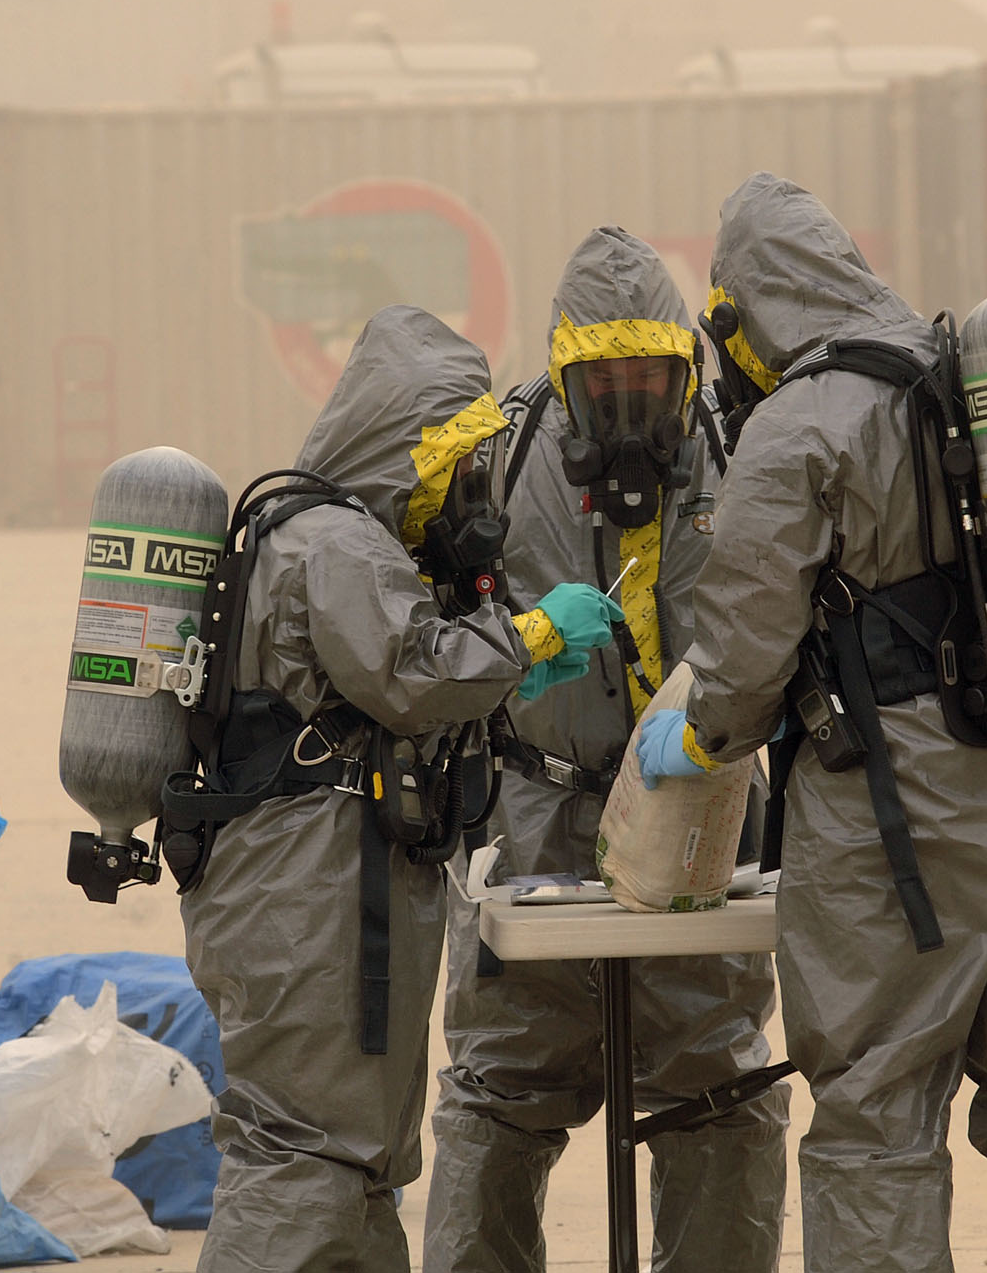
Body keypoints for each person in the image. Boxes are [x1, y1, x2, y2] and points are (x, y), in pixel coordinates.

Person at [638, 171, 987, 1272]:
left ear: (748, 306)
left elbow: (749, 638)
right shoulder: (958, 369)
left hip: (896, 804)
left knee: (875, 1108)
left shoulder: (797, 425)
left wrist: (706, 735)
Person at [179, 304, 622, 1271]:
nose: (470, 493)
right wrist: (533, 637)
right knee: (301, 1153)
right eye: (457, 463)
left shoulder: (346, 544)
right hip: (305, 899)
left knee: (356, 1164)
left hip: (326, 893)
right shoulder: (335, 541)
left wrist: (505, 673)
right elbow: (414, 676)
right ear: (404, 446)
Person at [423, 228, 788, 1273]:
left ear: (685, 372)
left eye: (650, 381)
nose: (631, 410)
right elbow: (424, 631)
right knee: (500, 1091)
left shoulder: (740, 454)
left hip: (703, 806)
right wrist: (511, 666)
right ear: (564, 376)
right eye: (606, 383)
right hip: (533, 810)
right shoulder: (494, 456)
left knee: (715, 1092)